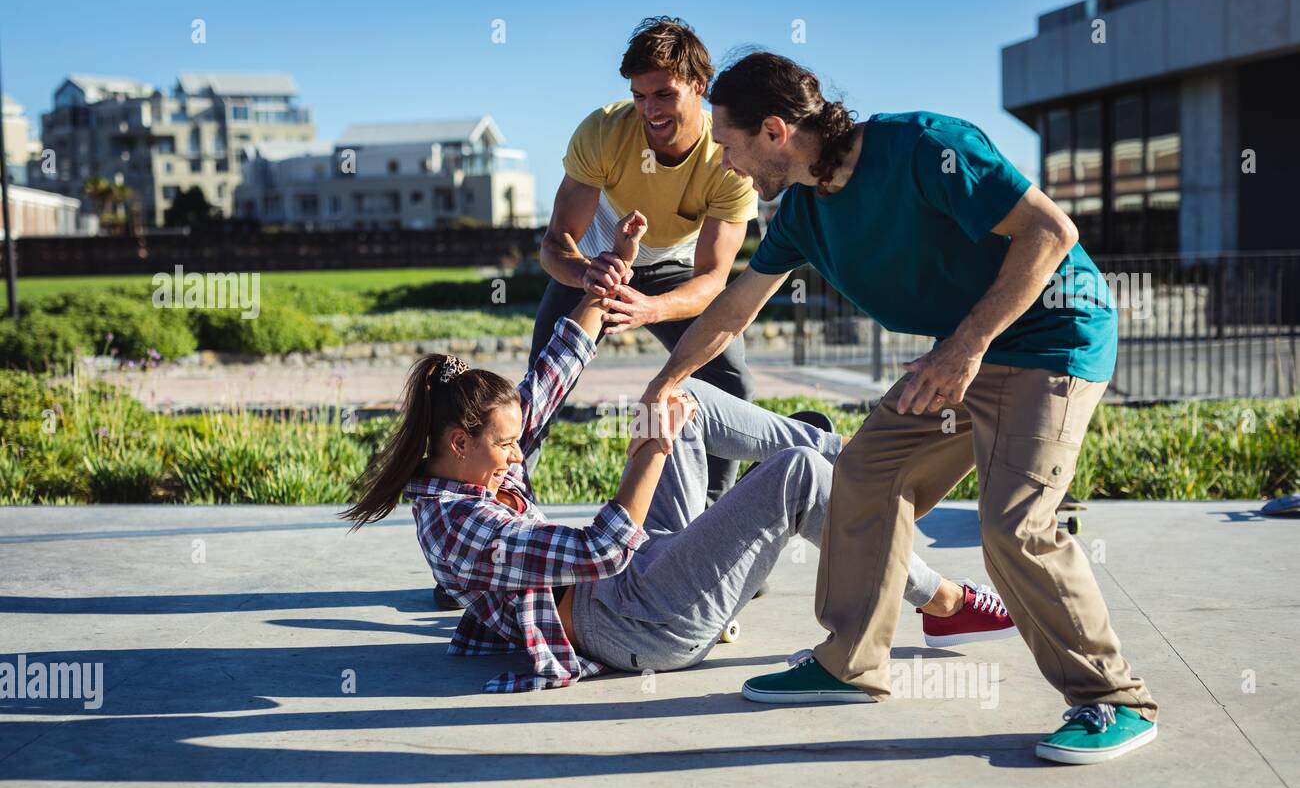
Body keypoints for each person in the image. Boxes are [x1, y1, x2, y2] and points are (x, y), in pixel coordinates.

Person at [637, 52, 1158, 765]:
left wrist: (966, 347)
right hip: (959, 356)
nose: (725, 163)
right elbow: (735, 307)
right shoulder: (804, 216)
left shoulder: (924, 148)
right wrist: (667, 380)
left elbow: (1051, 233)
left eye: (727, 144)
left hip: (1052, 339)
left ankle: (1112, 699)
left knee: (1014, 525)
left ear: (775, 129)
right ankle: (850, 663)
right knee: (864, 474)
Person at [343, 211, 1014, 693]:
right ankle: (943, 602)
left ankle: (853, 454)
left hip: (642, 573)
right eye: (508, 443)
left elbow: (552, 374)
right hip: (635, 623)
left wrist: (602, 283)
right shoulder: (457, 526)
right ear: (460, 443)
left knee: (678, 391)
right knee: (793, 478)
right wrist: (647, 454)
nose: (518, 451)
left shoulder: (472, 462)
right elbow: (598, 551)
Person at [529, 16, 758, 503]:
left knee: (730, 377)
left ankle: (715, 515)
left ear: (699, 85)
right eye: (639, 95)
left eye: (663, 95)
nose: (649, 110)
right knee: (541, 383)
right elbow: (554, 244)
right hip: (596, 261)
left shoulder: (730, 154)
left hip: (673, 269)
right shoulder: (603, 132)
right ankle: (507, 512)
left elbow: (714, 279)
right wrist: (583, 270)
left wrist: (651, 308)